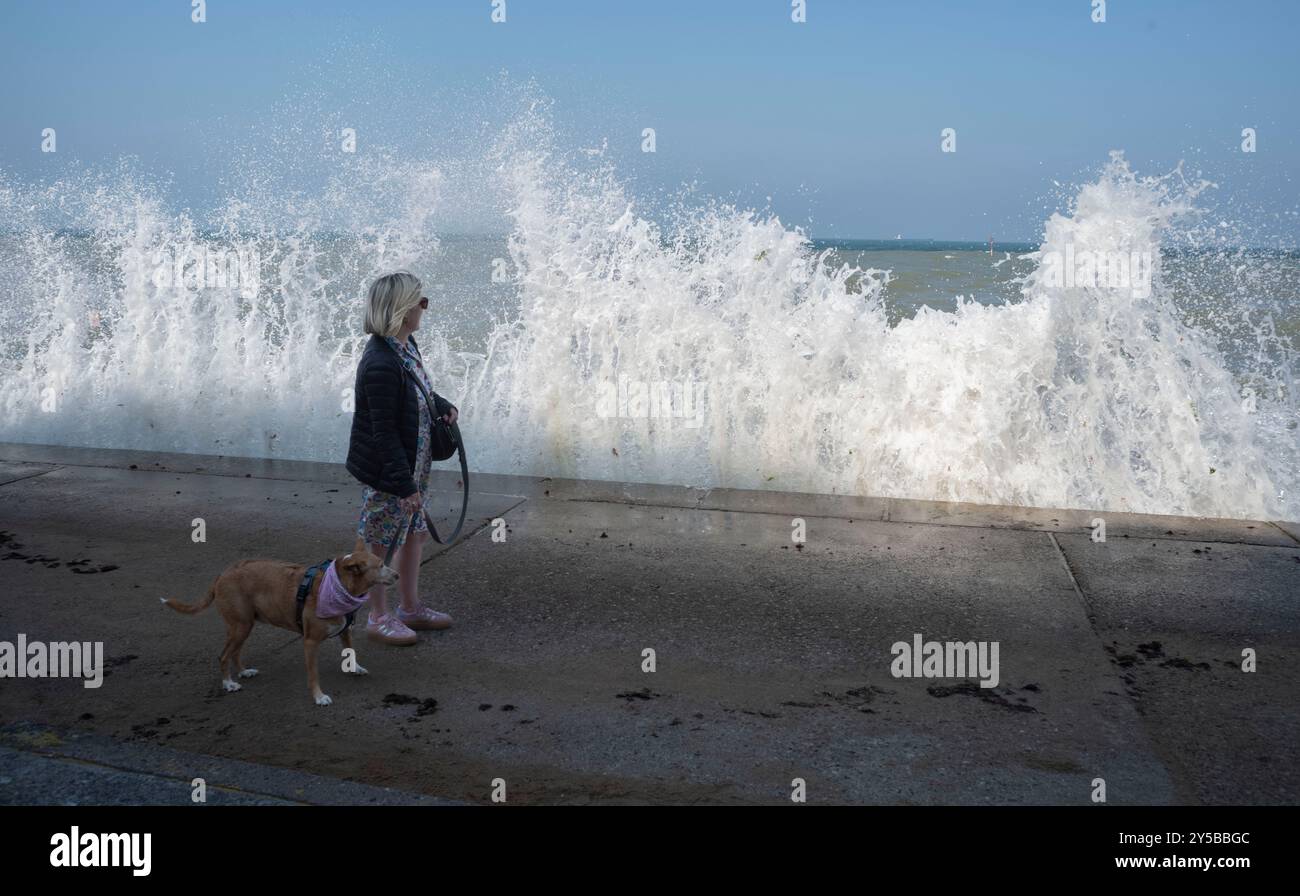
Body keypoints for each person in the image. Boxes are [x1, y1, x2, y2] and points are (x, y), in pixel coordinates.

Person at [345, 271, 458, 645]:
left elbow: (422, 390)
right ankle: (379, 617)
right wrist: (404, 485)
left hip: (414, 463)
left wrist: (442, 406)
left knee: (415, 534)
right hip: (390, 471)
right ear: (401, 309)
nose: (425, 309)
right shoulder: (379, 362)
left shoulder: (405, 347)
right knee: (379, 542)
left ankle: (410, 607)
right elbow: (383, 433)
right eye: (420, 302)